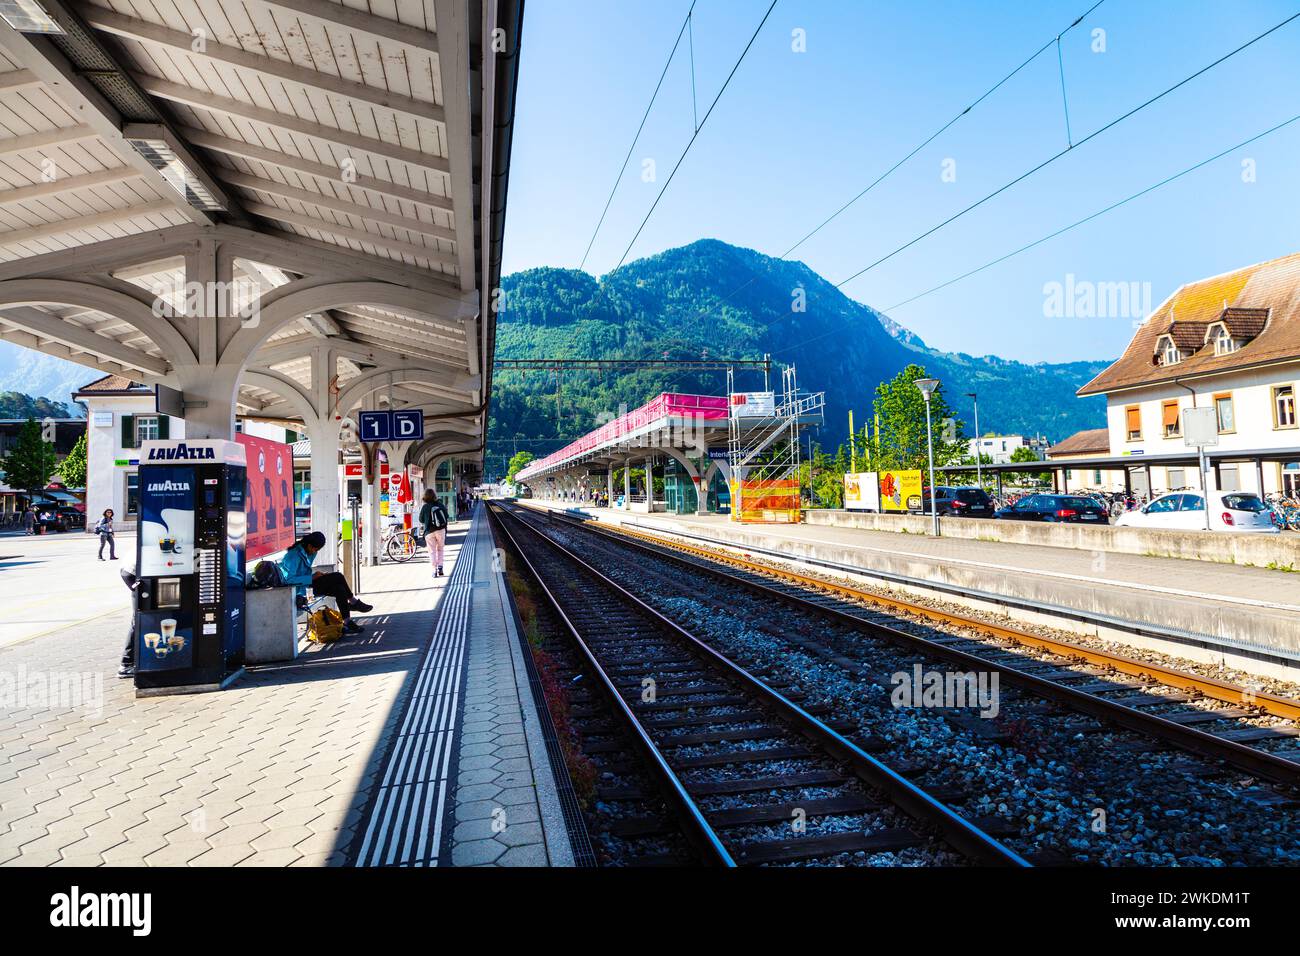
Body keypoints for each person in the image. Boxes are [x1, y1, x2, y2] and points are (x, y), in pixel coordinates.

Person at [277, 531, 372, 635]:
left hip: (307, 585)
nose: (315, 552)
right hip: (298, 590)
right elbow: (288, 580)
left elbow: (304, 571)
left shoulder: (310, 551)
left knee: (339, 588)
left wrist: (317, 576)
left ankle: (347, 621)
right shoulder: (293, 556)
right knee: (338, 576)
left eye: (317, 550)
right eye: (315, 549)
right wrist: (312, 577)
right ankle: (353, 602)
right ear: (309, 545)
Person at [117, 564, 142, 679]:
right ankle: (126, 664)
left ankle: (133, 660)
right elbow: (126, 573)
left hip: (134, 575)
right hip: (133, 576)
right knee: (138, 622)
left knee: (139, 622)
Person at [418, 489, 449, 577]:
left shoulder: (425, 507)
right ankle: (440, 567)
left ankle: (434, 570)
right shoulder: (440, 504)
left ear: (425, 496)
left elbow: (421, 520)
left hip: (429, 532)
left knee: (432, 551)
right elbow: (446, 516)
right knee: (440, 549)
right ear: (434, 495)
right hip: (440, 530)